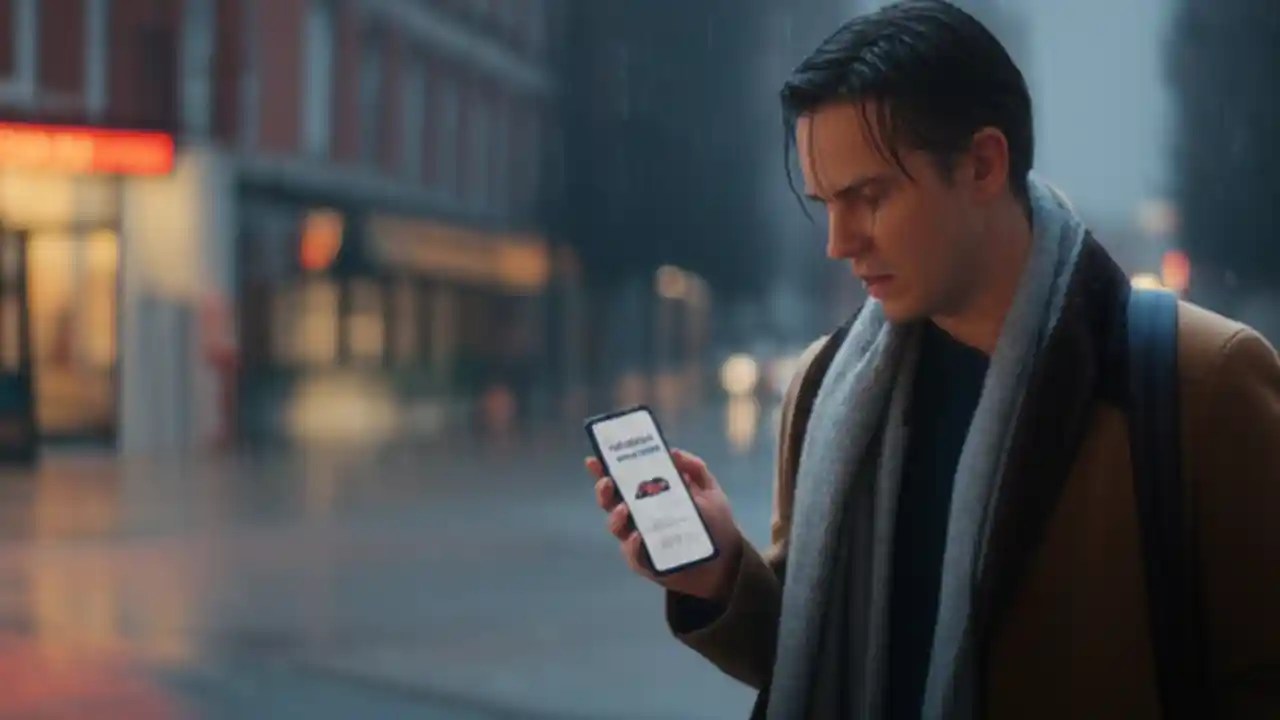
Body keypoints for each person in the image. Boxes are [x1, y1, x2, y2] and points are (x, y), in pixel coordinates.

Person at [586, 1, 1280, 718]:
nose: (839, 241)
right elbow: (814, 654)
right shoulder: (827, 386)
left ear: (983, 164)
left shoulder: (1201, 380)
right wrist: (721, 573)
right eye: (825, 202)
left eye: (869, 196)